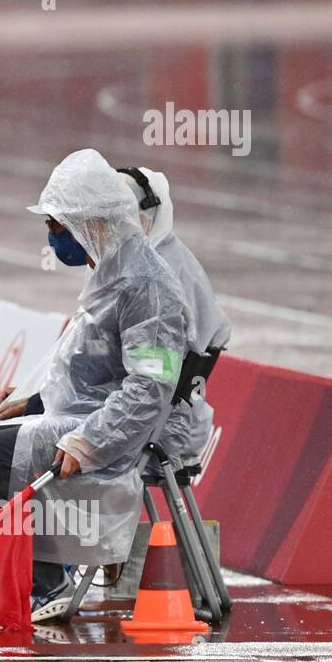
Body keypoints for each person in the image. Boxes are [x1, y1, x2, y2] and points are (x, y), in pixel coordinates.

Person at [0, 149, 188, 621]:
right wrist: (34, 403)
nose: (51, 238)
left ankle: (47, 579)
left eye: (58, 227)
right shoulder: (108, 271)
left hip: (124, 431)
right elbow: (88, 371)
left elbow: (149, 387)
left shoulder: (148, 285)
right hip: (88, 415)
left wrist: (91, 440)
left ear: (92, 222)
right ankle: (14, 571)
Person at [116, 166, 232, 474]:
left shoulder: (160, 276)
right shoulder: (143, 262)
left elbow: (149, 381)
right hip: (150, 417)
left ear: (148, 216)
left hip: (162, 431)